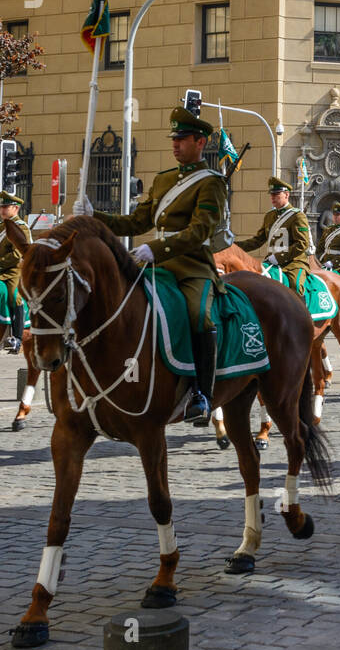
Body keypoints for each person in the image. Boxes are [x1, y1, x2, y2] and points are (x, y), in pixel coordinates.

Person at [73, 106, 228, 425]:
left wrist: (156, 248)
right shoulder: (163, 179)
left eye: (182, 139)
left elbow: (200, 231)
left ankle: (202, 392)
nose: (175, 144)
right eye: (174, 138)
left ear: (200, 143)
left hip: (191, 266)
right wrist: (95, 215)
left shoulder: (212, 183)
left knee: (200, 316)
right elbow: (136, 221)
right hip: (155, 264)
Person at [237, 176, 310, 294]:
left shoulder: (297, 216)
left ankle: (302, 312)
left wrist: (278, 257)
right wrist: (234, 246)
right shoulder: (269, 216)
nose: (272, 197)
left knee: (295, 287)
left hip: (293, 263)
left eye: (276, 194)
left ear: (286, 195)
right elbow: (257, 241)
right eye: (271, 194)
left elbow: (302, 244)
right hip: (271, 263)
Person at [0, 190, 31, 353]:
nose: (2, 210)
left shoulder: (21, 227)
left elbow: (18, 253)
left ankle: (17, 338)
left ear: (16, 209)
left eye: (6, 207)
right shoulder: (1, 227)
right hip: (0, 270)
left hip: (13, 270)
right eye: (1, 207)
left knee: (13, 294)